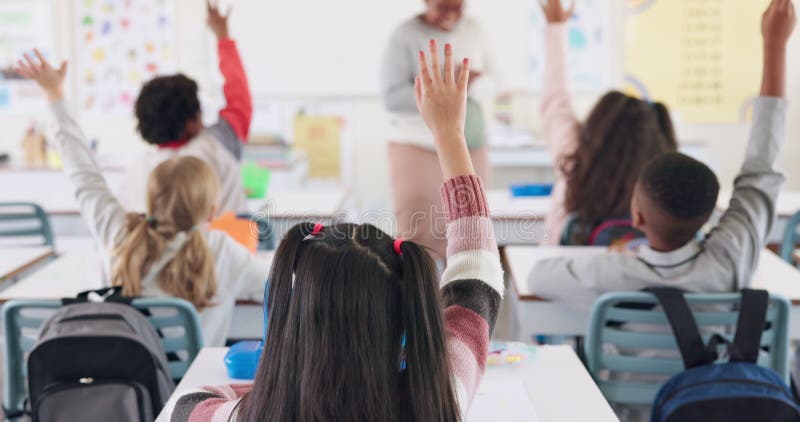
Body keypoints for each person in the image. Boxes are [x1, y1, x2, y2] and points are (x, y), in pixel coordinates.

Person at [168, 42, 504, 422]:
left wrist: (277, 388)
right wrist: (449, 135)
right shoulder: (440, 399)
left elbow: (188, 404)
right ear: (404, 324)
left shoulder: (253, 415)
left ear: (295, 322)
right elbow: (477, 276)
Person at [528, 0, 794, 309]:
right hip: (710, 359)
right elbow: (761, 170)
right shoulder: (730, 260)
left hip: (597, 343)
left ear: (637, 215)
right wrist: (776, 46)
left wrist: (556, 29)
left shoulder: (608, 272)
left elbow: (537, 277)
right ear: (710, 216)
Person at [17, 51, 267, 347]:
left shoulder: (119, 233)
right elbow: (279, 285)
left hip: (130, 387)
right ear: (211, 212)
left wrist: (54, 95)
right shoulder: (224, 251)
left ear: (148, 199)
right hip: (196, 389)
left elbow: (82, 174)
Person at [540, 0, 678, 245]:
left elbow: (556, 98)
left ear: (595, 127)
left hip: (560, 278)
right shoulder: (666, 185)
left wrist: (556, 28)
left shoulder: (574, 155)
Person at [381, 0, 496, 261]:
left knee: (471, 231)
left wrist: (466, 84)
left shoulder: (475, 30)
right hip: (417, 148)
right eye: (443, 8)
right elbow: (391, 96)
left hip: (470, 145)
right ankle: (419, 300)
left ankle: (465, 298)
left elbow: (495, 80)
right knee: (419, 236)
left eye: (458, 8)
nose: (450, 16)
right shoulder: (405, 35)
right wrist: (438, 91)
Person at [120, 0, 252, 214]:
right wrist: (223, 37)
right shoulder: (216, 146)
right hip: (228, 246)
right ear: (191, 122)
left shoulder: (138, 171)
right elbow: (240, 99)